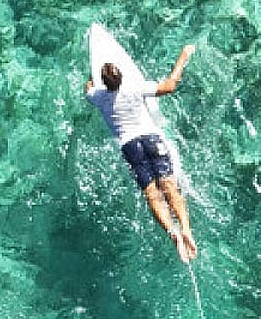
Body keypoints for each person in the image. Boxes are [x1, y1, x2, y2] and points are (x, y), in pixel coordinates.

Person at [85, 44, 199, 263]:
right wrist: (183, 55)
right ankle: (186, 230)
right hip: (151, 139)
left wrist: (91, 77)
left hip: (130, 146)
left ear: (105, 83)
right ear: (121, 78)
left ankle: (172, 233)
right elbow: (170, 86)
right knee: (169, 187)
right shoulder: (136, 87)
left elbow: (88, 89)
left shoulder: (98, 97)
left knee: (152, 193)